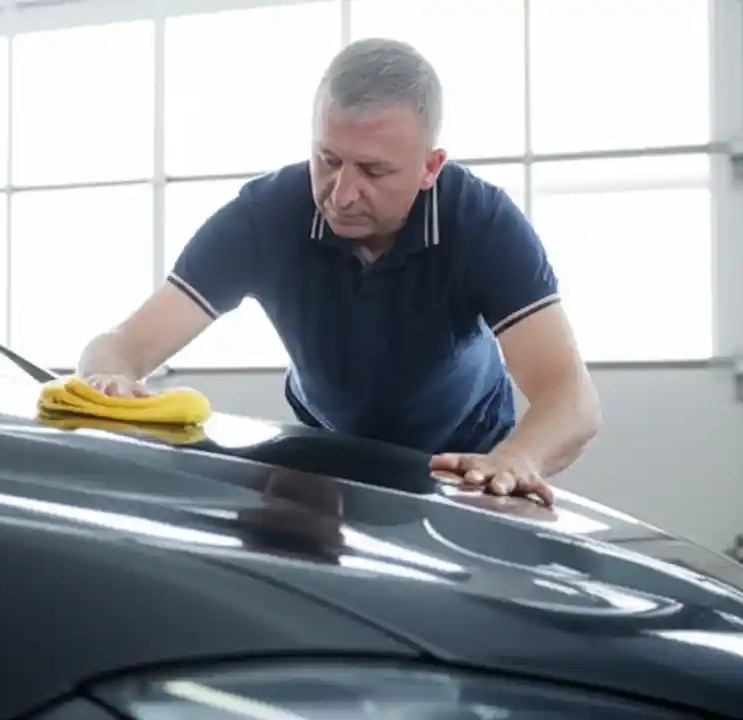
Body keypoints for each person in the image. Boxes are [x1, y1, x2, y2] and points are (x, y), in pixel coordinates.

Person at [75, 38, 602, 505]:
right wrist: (110, 376)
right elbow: (123, 344)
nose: (342, 193)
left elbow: (571, 398)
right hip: (329, 452)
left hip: (468, 460)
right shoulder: (266, 214)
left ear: (430, 167)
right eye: (327, 159)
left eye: (374, 171)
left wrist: (519, 459)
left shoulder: (481, 222)